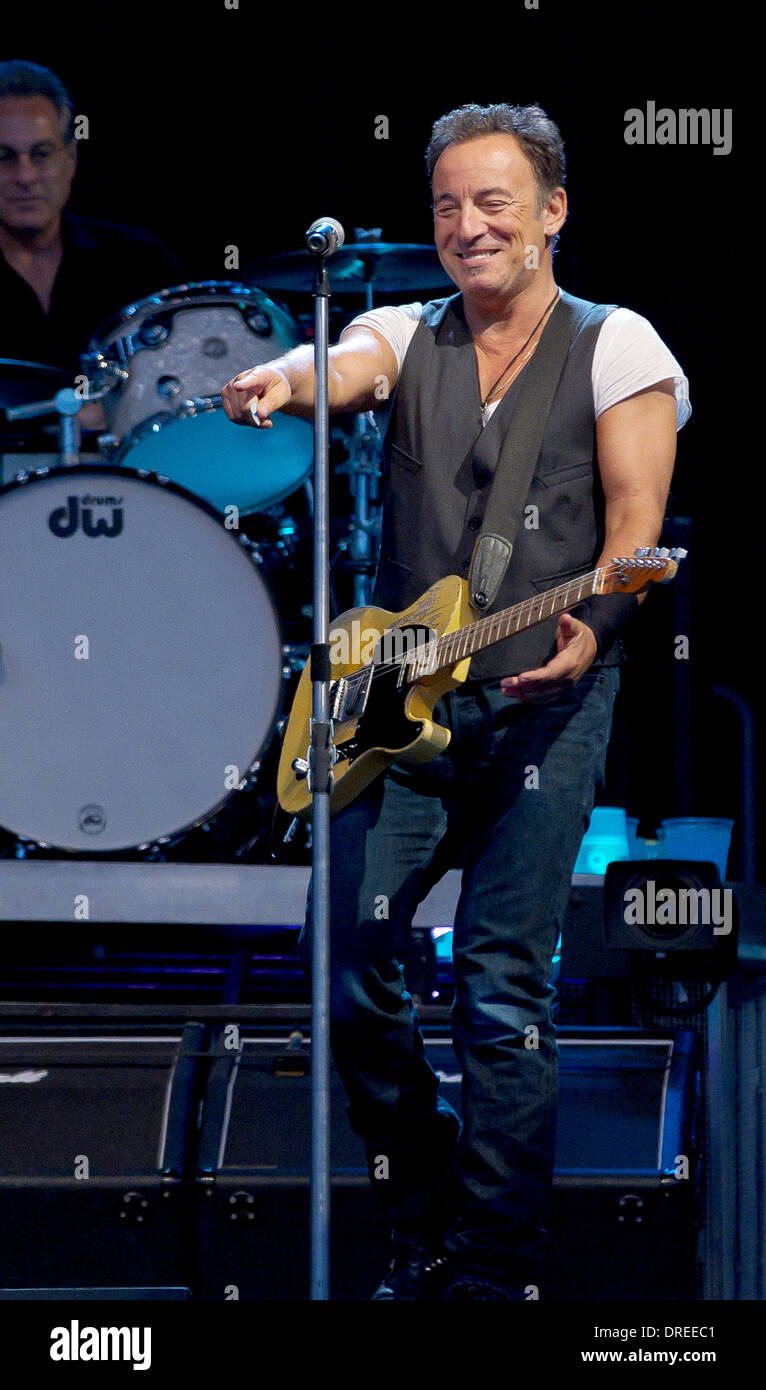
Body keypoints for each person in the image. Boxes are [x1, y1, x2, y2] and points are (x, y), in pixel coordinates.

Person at [222, 102, 690, 1300]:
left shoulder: (616, 345)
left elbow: (639, 537)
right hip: (397, 699)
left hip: (545, 700)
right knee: (346, 965)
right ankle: (426, 1199)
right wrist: (278, 376)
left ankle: (492, 1267)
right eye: (446, 205)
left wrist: (600, 626)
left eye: (493, 202)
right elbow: (346, 366)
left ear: (552, 212)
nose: (468, 227)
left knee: (499, 983)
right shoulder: (405, 330)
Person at [0, 60, 184, 378]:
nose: (25, 176)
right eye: (4, 157)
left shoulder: (140, 260)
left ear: (70, 158)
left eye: (41, 154)